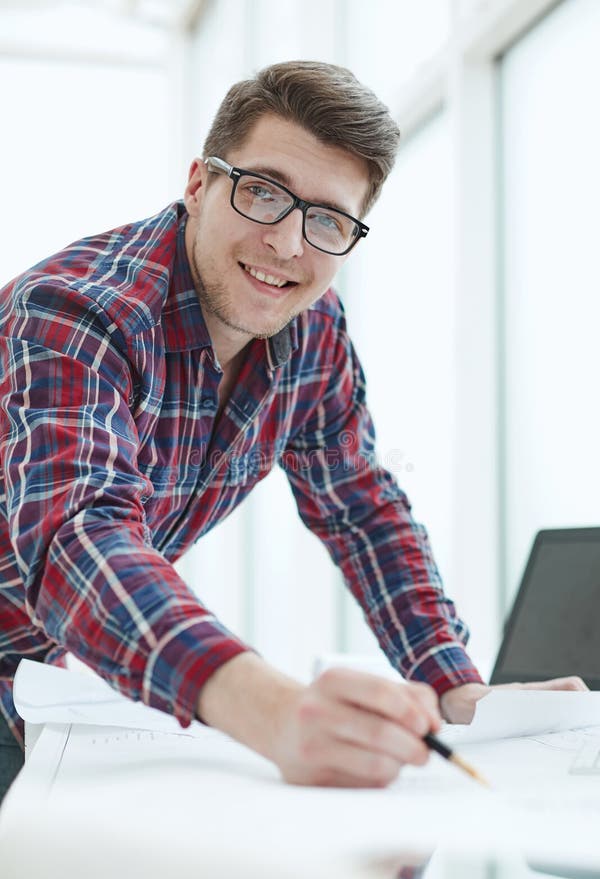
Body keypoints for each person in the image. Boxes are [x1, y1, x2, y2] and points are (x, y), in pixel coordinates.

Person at [0, 60, 584, 803]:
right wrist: (274, 713)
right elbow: (77, 538)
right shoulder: (75, 312)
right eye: (264, 193)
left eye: (328, 220)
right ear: (198, 185)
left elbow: (362, 511)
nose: (287, 245)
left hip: (43, 673)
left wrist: (454, 689)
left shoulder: (311, 332)